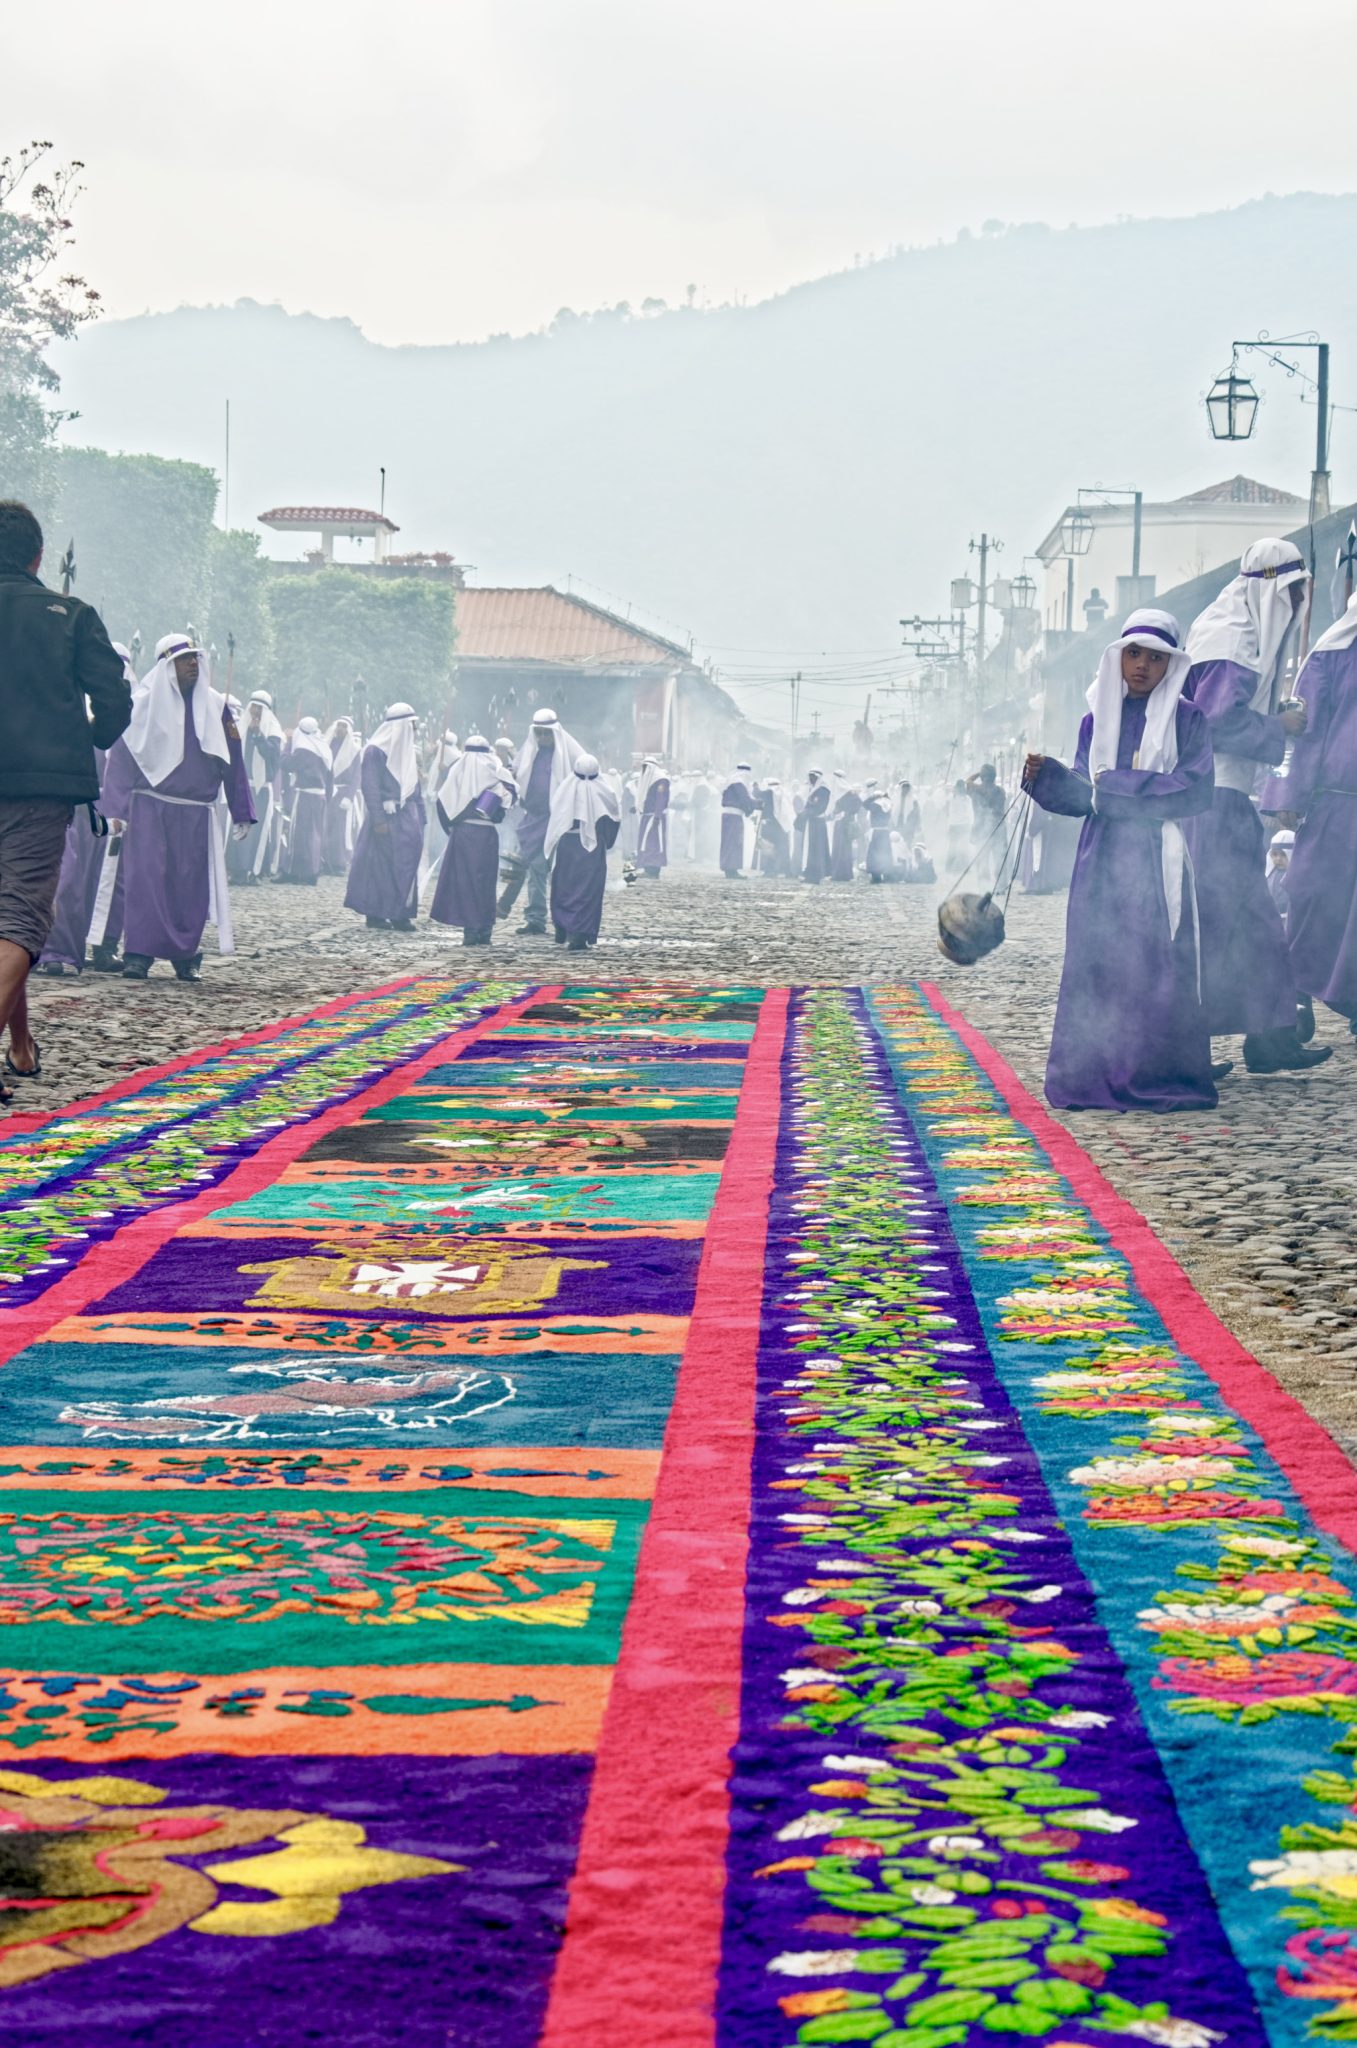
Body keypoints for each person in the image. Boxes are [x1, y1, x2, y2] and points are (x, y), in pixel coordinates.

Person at [1022, 609, 1218, 1114]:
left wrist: (1111, 788)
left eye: (1155, 658)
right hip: (1102, 854)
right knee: (1099, 961)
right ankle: (1093, 1075)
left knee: (1156, 964)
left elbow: (1194, 790)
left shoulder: (1190, 719)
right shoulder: (1095, 719)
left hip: (1158, 857)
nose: (1142, 666)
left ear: (1170, 666)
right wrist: (1045, 779)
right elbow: (1086, 795)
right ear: (1119, 657)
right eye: (1134, 654)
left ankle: (1157, 1073)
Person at [1184, 536, 1329, 1073]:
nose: (1293, 607)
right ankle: (1196, 1048)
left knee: (1254, 931)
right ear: (1269, 591)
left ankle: (1269, 1039)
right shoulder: (1234, 639)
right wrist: (1279, 726)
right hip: (1212, 803)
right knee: (1217, 932)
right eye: (1289, 594)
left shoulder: (1228, 631)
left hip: (1224, 802)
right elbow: (1216, 722)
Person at [0, 501, 131, 1093]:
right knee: (23, 914)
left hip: (35, 783)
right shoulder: (70, 615)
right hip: (38, 787)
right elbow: (115, 703)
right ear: (37, 556)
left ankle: (21, 1045)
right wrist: (85, 738)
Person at [101, 636, 254, 981]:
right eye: (185, 660)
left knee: (189, 884)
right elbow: (124, 758)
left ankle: (185, 955)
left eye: (196, 659)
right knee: (146, 881)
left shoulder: (216, 707)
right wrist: (116, 810)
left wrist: (241, 809)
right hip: (149, 809)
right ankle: (138, 953)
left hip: (196, 811)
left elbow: (233, 759)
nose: (192, 665)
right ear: (167, 667)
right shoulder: (142, 706)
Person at [1280, 588, 1357, 1035]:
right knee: (1313, 897)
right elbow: (1304, 730)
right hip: (1337, 799)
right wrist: (1290, 792)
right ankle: (1292, 997)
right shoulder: (1332, 652)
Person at [343, 702, 424, 931]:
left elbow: (415, 789)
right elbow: (370, 786)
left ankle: (400, 913)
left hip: (407, 818)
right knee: (379, 868)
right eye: (412, 726)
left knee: (405, 866)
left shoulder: (408, 753)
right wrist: (378, 819)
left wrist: (422, 819)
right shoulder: (375, 751)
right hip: (385, 819)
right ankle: (376, 913)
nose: (415, 731)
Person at [428, 735, 516, 947]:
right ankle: (484, 929)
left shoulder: (457, 771)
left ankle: (470, 929)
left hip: (464, 834)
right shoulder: (496, 772)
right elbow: (508, 801)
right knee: (485, 882)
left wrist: (452, 828)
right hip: (486, 835)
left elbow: (443, 804)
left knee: (466, 883)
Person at [506, 708, 580, 934]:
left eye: (547, 733)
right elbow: (517, 777)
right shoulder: (530, 754)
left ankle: (566, 918)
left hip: (558, 821)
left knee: (561, 872)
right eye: (539, 733)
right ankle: (536, 918)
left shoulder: (571, 756)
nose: (543, 738)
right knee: (536, 869)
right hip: (534, 819)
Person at [547, 753, 622, 950]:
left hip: (569, 846)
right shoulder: (605, 791)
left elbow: (555, 816)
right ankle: (579, 931)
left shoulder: (565, 789)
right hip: (592, 848)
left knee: (565, 886)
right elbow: (613, 819)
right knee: (588, 889)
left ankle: (566, 925)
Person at [229, 691, 284, 884]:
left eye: (260, 708)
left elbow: (273, 758)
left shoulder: (273, 731)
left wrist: (258, 735)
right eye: (253, 706)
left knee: (256, 832)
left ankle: (253, 871)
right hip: (242, 785)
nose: (255, 711)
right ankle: (237, 870)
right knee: (238, 829)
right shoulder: (241, 727)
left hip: (260, 789)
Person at [276, 716, 333, 884]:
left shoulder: (303, 749)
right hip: (320, 796)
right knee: (314, 835)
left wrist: (288, 745)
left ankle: (294, 871)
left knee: (297, 835)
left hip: (305, 796)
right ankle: (311, 871)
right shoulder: (324, 748)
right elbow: (330, 777)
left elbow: (287, 764)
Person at [322, 714, 362, 873]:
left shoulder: (354, 750)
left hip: (342, 792)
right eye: (339, 725)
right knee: (325, 826)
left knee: (338, 830)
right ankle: (323, 861)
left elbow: (356, 776)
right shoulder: (327, 744)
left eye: (344, 726)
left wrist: (349, 797)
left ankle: (337, 863)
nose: (340, 729)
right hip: (327, 790)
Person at [966, 764, 1007, 887]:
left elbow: (967, 781)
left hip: (981, 830)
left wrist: (978, 774)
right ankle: (1000, 886)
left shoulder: (975, 790)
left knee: (982, 859)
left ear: (983, 777)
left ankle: (983, 885)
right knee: (999, 858)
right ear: (994, 777)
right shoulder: (1000, 791)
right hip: (998, 828)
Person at [720, 762, 758, 878]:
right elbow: (745, 800)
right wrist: (756, 805)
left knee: (730, 842)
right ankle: (731, 869)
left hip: (730, 815)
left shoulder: (733, 782)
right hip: (734, 816)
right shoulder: (739, 783)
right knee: (734, 842)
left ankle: (729, 868)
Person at [635, 757, 670, 878]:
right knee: (647, 842)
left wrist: (657, 816)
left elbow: (661, 798)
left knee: (654, 843)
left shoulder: (661, 780)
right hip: (648, 816)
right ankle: (648, 867)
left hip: (655, 817)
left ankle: (653, 869)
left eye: (646, 767)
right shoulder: (650, 779)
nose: (644, 770)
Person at [756, 779, 793, 876]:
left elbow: (757, 794)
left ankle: (769, 870)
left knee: (770, 847)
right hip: (782, 824)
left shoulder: (769, 792)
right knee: (782, 847)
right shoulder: (783, 793)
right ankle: (786, 870)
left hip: (770, 824)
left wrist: (756, 786)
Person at [800, 768, 831, 882]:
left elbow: (820, 807)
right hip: (812, 822)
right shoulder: (813, 789)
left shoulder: (823, 790)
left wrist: (808, 813)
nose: (810, 780)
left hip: (818, 822)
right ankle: (810, 873)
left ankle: (816, 875)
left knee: (817, 850)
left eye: (813, 778)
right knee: (811, 849)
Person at [830, 782, 863, 881]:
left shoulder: (854, 799)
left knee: (842, 849)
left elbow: (848, 809)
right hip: (843, 824)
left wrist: (841, 813)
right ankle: (841, 873)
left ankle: (841, 873)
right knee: (841, 849)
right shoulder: (854, 798)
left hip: (844, 824)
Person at [864, 784, 895, 882]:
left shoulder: (874, 805)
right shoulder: (888, 804)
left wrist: (873, 797)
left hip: (876, 832)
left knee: (875, 854)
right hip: (885, 832)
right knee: (885, 853)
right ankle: (887, 874)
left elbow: (864, 804)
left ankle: (876, 875)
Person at [1266, 828, 1294, 921]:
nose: (1278, 859)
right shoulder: (1269, 875)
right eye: (1274, 854)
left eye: (1283, 854)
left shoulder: (1297, 877)